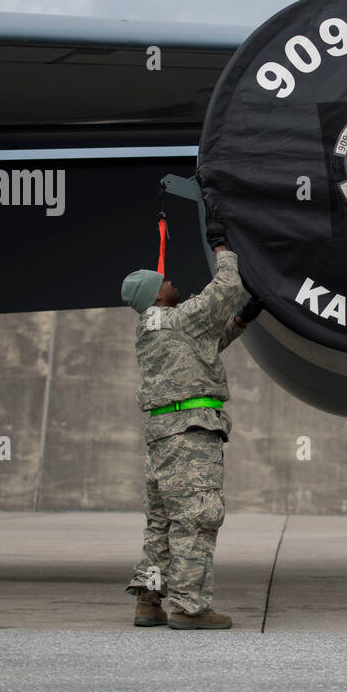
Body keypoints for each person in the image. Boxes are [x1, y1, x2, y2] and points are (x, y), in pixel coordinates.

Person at [119, 215, 262, 630]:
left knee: (161, 523)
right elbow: (225, 289)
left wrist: (242, 320)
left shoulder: (155, 327)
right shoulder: (179, 318)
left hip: (164, 437)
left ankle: (149, 600)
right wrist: (222, 249)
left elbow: (204, 346)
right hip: (190, 434)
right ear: (156, 296)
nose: (171, 282)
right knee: (197, 518)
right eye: (164, 282)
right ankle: (190, 608)